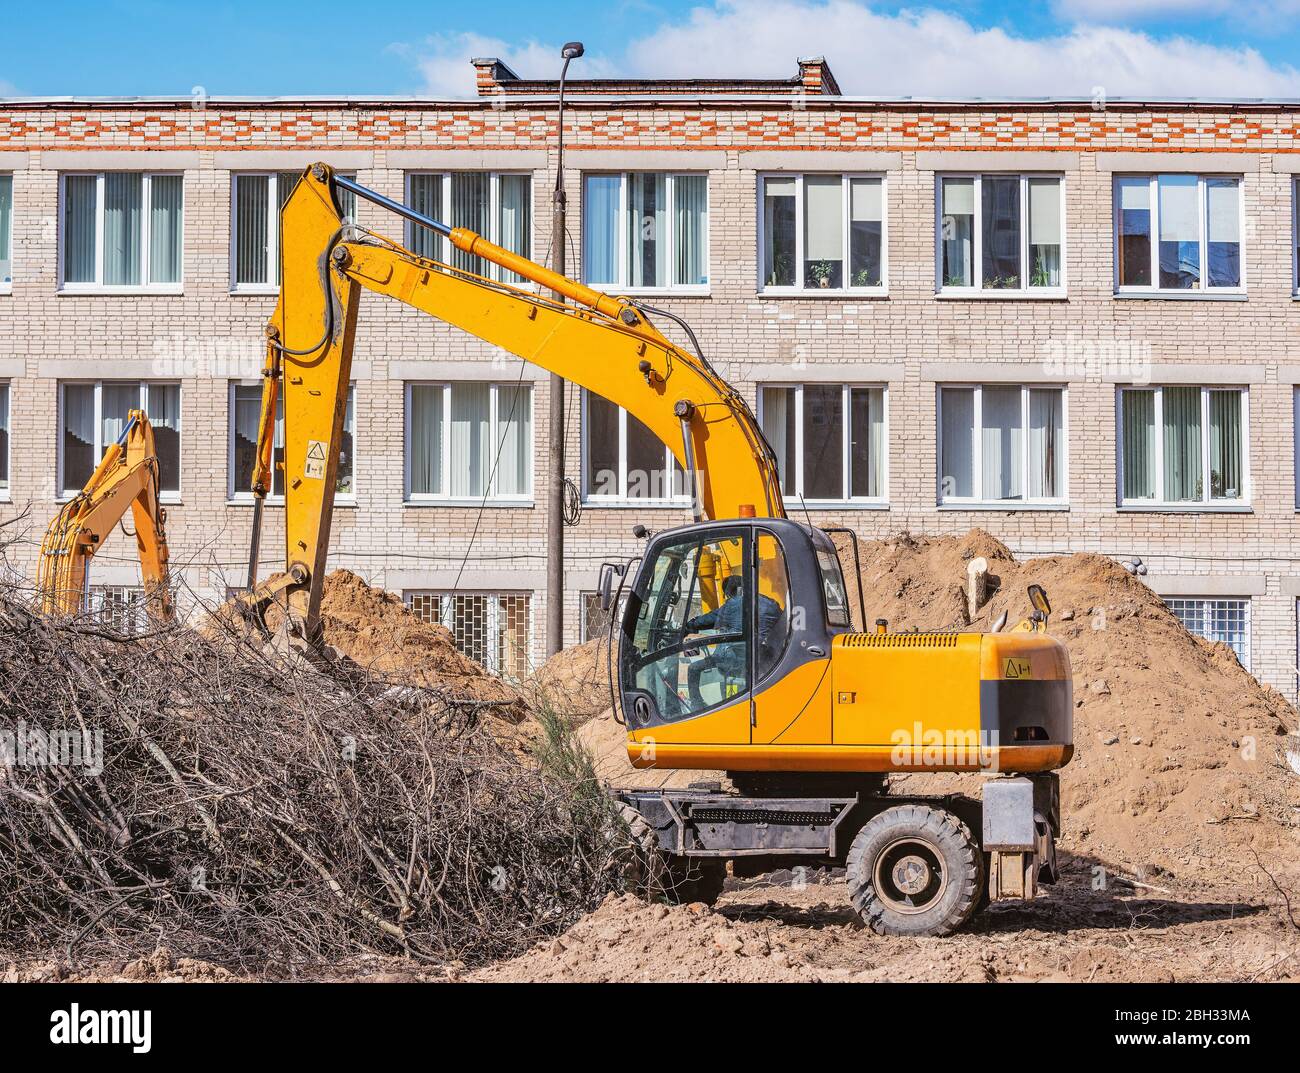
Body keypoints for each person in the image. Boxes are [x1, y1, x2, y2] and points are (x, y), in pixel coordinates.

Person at [682, 574, 783, 707]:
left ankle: (697, 704)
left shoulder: (732, 605)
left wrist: (688, 626)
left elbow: (706, 621)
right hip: (763, 664)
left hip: (731, 662)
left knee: (693, 668)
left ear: (729, 593)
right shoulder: (772, 605)